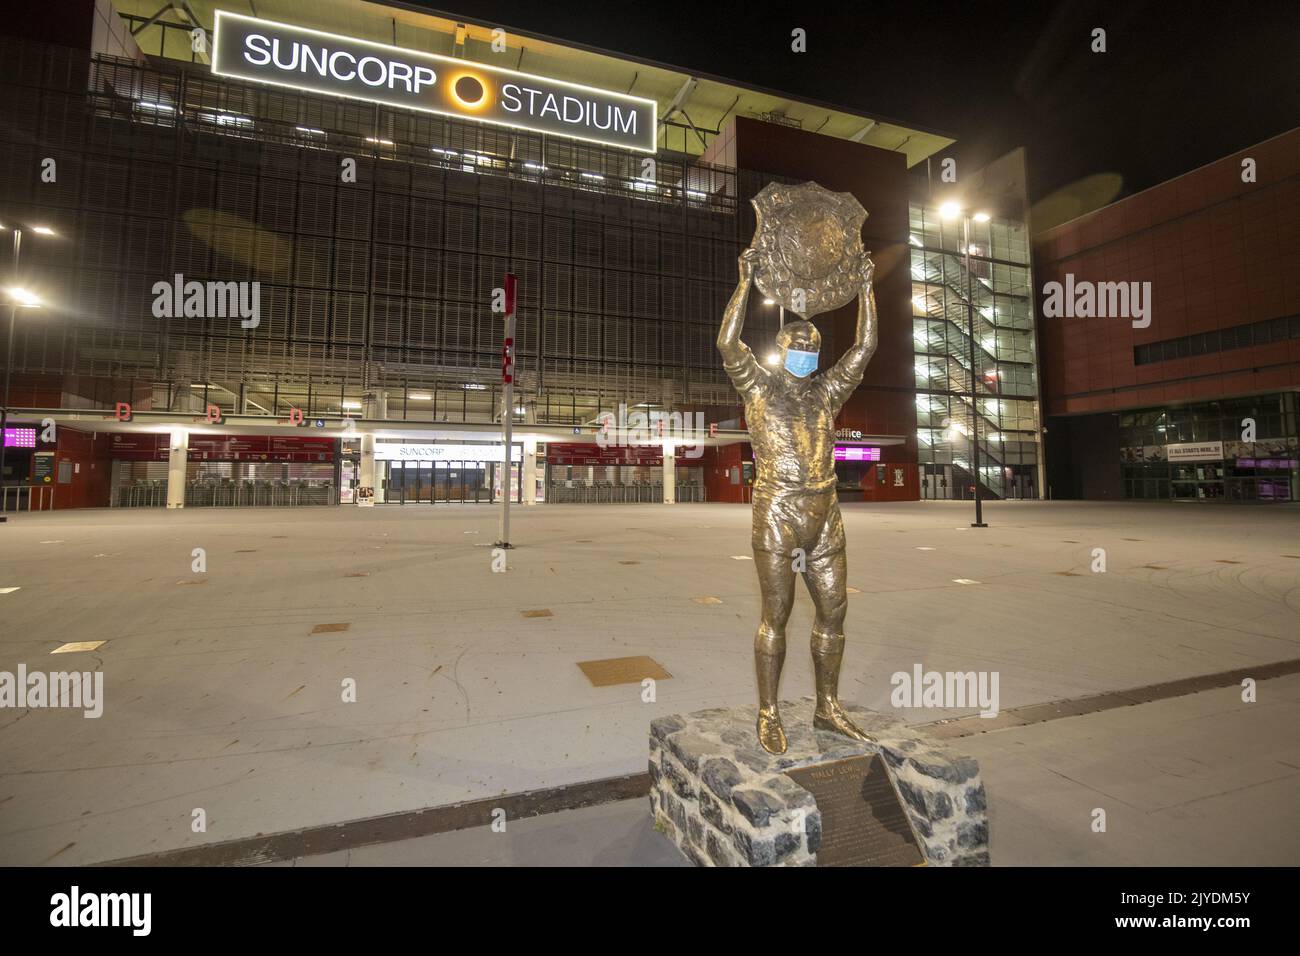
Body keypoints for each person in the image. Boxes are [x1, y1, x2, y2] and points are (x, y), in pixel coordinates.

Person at [716, 247, 878, 755]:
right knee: (777, 612)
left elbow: (865, 347)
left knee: (834, 611)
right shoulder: (758, 387)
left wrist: (867, 288)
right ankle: (768, 711)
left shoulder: (828, 392)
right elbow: (726, 342)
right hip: (778, 513)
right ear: (783, 348)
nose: (809, 349)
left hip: (825, 513)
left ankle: (827, 706)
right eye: (800, 342)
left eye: (815, 343)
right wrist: (744, 281)